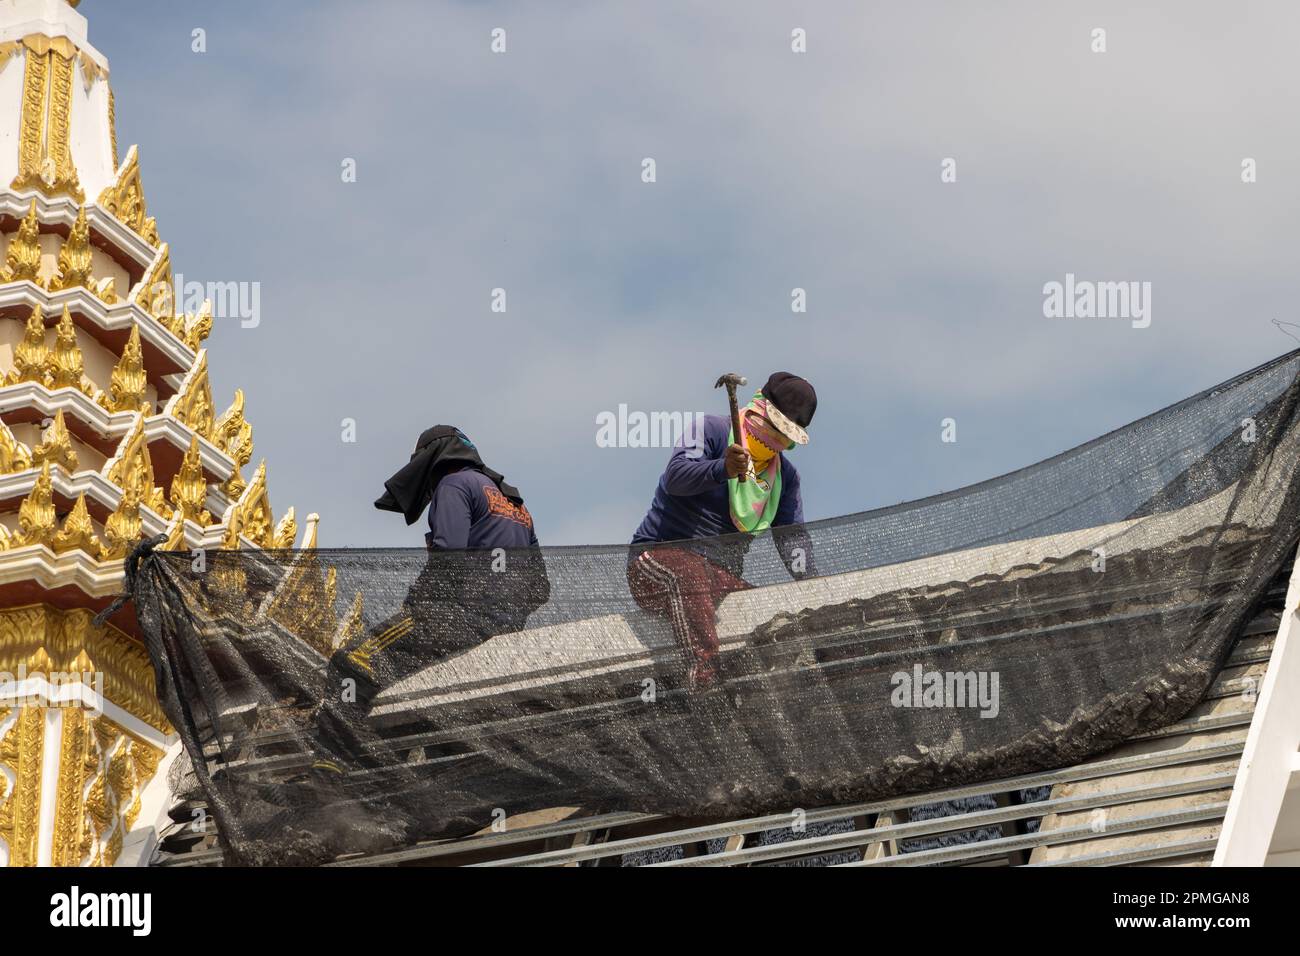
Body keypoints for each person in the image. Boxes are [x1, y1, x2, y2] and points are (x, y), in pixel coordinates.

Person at [628, 372, 817, 691]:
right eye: (773, 427)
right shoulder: (713, 431)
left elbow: (791, 535)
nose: (775, 439)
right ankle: (703, 680)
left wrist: (810, 582)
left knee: (765, 609)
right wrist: (722, 469)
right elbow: (676, 477)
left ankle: (754, 686)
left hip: (720, 575)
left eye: (785, 435)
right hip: (657, 561)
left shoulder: (784, 476)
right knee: (689, 577)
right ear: (760, 408)